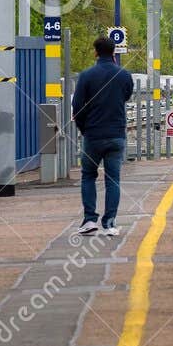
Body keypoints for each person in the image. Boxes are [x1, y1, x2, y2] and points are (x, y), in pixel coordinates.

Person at [71, 36, 134, 236]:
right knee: (113, 179)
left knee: (88, 175)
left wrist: (84, 129)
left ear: (95, 52)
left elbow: (77, 106)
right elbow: (126, 96)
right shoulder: (124, 75)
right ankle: (110, 224)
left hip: (93, 135)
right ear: (113, 52)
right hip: (116, 134)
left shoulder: (86, 75)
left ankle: (90, 220)